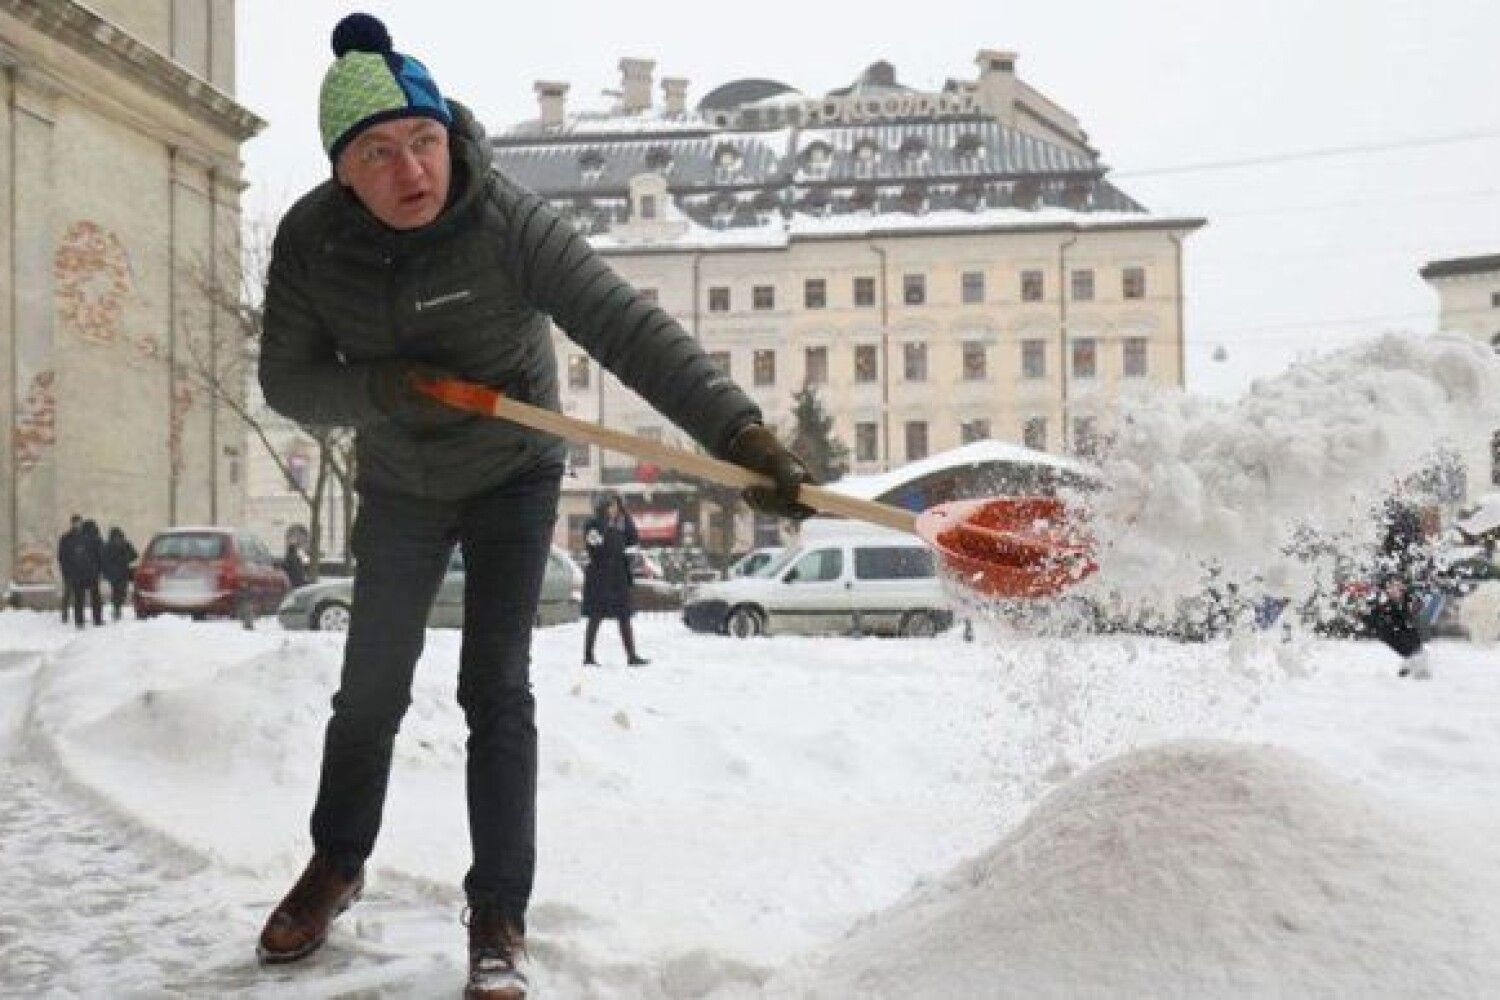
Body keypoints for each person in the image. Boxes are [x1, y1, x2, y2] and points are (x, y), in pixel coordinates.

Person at [253, 14, 813, 998]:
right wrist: (388, 388)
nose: (412, 169)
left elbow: (624, 323)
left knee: (495, 690)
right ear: (344, 172)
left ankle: (500, 913)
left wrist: (737, 433)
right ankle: (337, 862)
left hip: (514, 473)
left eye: (422, 141)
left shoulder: (504, 219)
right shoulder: (310, 242)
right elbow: (290, 384)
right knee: (370, 689)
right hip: (400, 483)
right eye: (379, 154)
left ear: (447, 137)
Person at [1366, 497, 1434, 679]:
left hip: (1395, 577)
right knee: (1399, 620)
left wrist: (1395, 580)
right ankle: (1415, 656)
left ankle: (1414, 656)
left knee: (1381, 621)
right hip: (1398, 576)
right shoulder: (1401, 510)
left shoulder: (1396, 513)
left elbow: (1401, 547)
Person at [581, 493, 647, 667]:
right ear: (603, 507)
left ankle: (632, 655)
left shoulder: (623, 525)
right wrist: (605, 528)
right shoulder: (593, 524)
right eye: (611, 506)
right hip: (600, 577)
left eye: (617, 506)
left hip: (619, 577)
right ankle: (588, 656)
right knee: (596, 616)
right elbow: (593, 548)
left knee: (624, 616)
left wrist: (627, 525)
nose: (615, 509)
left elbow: (632, 545)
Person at [61, 519, 105, 629]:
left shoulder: (74, 539)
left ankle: (79, 621)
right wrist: (100, 570)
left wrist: (68, 572)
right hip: (92, 574)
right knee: (95, 597)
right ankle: (97, 619)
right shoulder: (96, 539)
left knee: (78, 599)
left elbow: (66, 557)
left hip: (77, 574)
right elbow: (101, 556)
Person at [101, 527, 138, 621]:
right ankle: (117, 609)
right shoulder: (110, 545)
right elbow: (104, 559)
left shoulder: (124, 544)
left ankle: (117, 608)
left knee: (119, 591)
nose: (117, 539)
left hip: (119, 572)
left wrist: (125, 559)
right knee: (118, 591)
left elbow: (134, 555)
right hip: (117, 572)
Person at [56, 514, 81, 623]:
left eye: (79, 522)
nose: (77, 525)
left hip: (81, 571)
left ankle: (78, 615)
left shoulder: (83, 537)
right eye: (76, 522)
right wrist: (65, 569)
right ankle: (65, 615)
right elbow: (61, 555)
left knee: (78, 595)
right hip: (70, 571)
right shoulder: (66, 538)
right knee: (68, 593)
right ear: (72, 523)